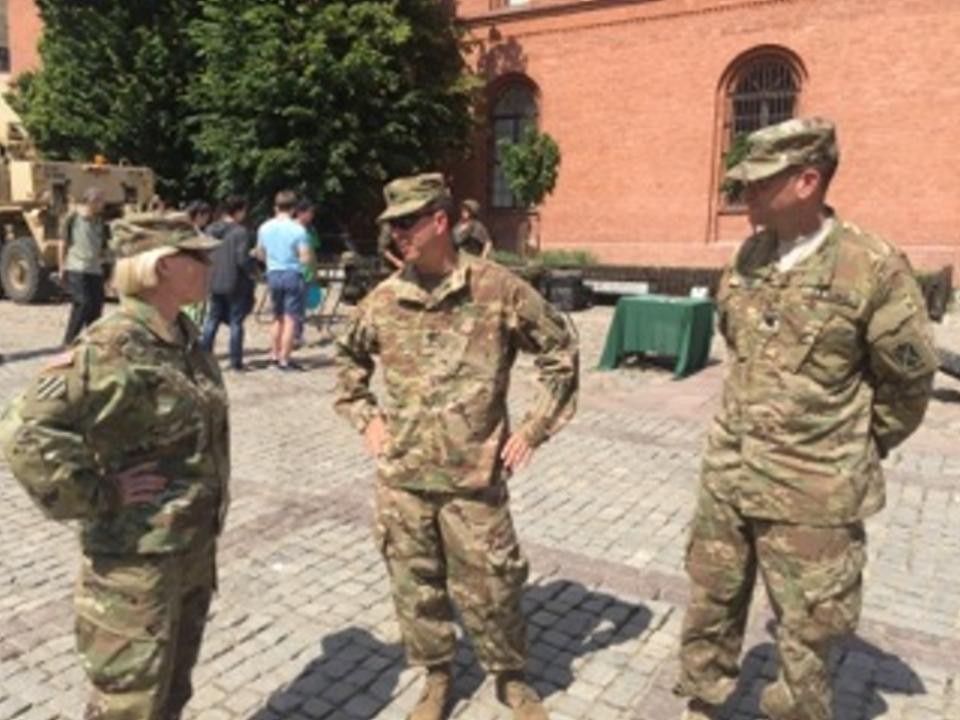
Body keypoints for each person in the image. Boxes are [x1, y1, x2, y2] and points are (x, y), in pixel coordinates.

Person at [676, 118, 938, 720]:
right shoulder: (749, 256)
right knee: (711, 598)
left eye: (758, 182)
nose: (744, 193)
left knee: (809, 626)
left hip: (813, 488)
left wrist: (850, 445)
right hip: (731, 473)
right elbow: (737, 344)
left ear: (806, 181)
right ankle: (703, 701)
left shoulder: (871, 267)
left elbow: (909, 381)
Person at [334, 173, 578, 720]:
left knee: (494, 584)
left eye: (406, 223)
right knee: (415, 587)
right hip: (403, 479)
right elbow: (347, 357)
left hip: (473, 480)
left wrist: (534, 428)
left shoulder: (497, 289)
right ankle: (437, 677)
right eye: (391, 225)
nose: (396, 235)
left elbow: (560, 350)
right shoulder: (385, 299)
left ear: (440, 221)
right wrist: (365, 416)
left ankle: (510, 677)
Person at [0, 213, 230, 720]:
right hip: (135, 567)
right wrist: (100, 494)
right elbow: (24, 431)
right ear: (163, 266)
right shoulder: (112, 346)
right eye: (198, 256)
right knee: (127, 706)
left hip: (189, 553)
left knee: (171, 693)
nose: (210, 265)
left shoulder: (182, 336)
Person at [256, 190, 311, 370]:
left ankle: (273, 355)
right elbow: (305, 257)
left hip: (273, 273)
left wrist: (271, 261)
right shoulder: (298, 229)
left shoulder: (264, 227)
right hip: (292, 273)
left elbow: (260, 253)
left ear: (276, 206)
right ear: (294, 208)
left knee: (277, 317)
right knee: (290, 319)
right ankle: (284, 359)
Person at [201, 195, 256, 370]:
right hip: (235, 282)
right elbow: (242, 259)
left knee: (212, 319)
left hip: (214, 279)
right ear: (239, 211)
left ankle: (203, 356)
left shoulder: (210, 229)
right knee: (236, 322)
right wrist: (252, 269)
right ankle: (235, 361)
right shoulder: (241, 232)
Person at [59, 187, 110, 345]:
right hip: (77, 267)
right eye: (100, 200)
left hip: (95, 269)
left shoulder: (100, 222)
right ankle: (69, 340)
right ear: (91, 201)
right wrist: (62, 267)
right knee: (82, 303)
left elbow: (103, 246)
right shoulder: (74, 218)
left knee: (96, 306)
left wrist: (108, 266)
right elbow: (63, 242)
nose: (103, 204)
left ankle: (93, 340)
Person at [293, 199, 321, 347]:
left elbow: (314, 250)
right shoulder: (292, 229)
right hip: (296, 271)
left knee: (302, 306)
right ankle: (295, 336)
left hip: (309, 271)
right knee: (295, 306)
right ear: (300, 213)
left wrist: (315, 271)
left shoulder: (311, 230)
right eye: (310, 212)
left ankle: (297, 334)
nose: (312, 216)